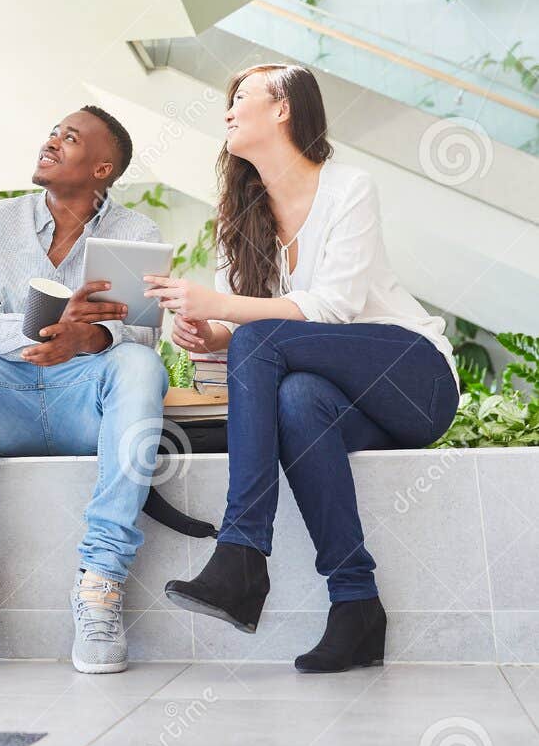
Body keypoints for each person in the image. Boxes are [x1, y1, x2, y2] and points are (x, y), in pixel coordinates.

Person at [147, 64, 460, 674]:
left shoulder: (348, 187)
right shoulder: (241, 216)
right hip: (341, 402)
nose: (229, 110)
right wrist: (205, 330)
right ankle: (356, 608)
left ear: (284, 107)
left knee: (264, 344)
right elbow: (244, 331)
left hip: (413, 378)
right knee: (295, 401)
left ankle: (241, 551)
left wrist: (226, 313)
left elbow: (334, 308)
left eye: (241, 97)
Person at [0, 106, 169, 676]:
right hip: (7, 399)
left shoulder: (136, 234)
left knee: (139, 366)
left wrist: (88, 338)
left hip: (85, 404)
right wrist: (45, 333)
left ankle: (100, 583)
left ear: (103, 168)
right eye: (53, 131)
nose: (51, 141)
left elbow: (146, 332)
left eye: (69, 138)